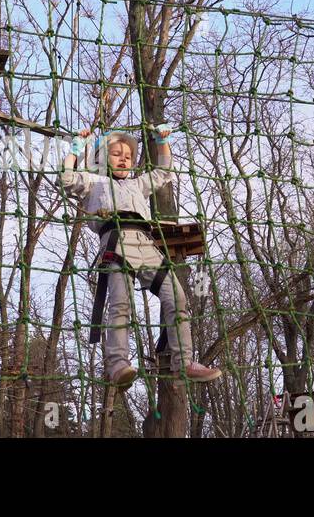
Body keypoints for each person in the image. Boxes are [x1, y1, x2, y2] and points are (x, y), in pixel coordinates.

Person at [58, 124, 221, 391]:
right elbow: (66, 179)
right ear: (101, 160)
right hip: (116, 243)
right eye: (116, 154)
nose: (123, 159)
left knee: (177, 297)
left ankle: (184, 362)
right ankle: (117, 364)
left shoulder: (137, 183)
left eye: (128, 156)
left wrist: (161, 141)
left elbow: (163, 173)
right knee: (120, 303)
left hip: (146, 244)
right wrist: (75, 149)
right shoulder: (94, 182)